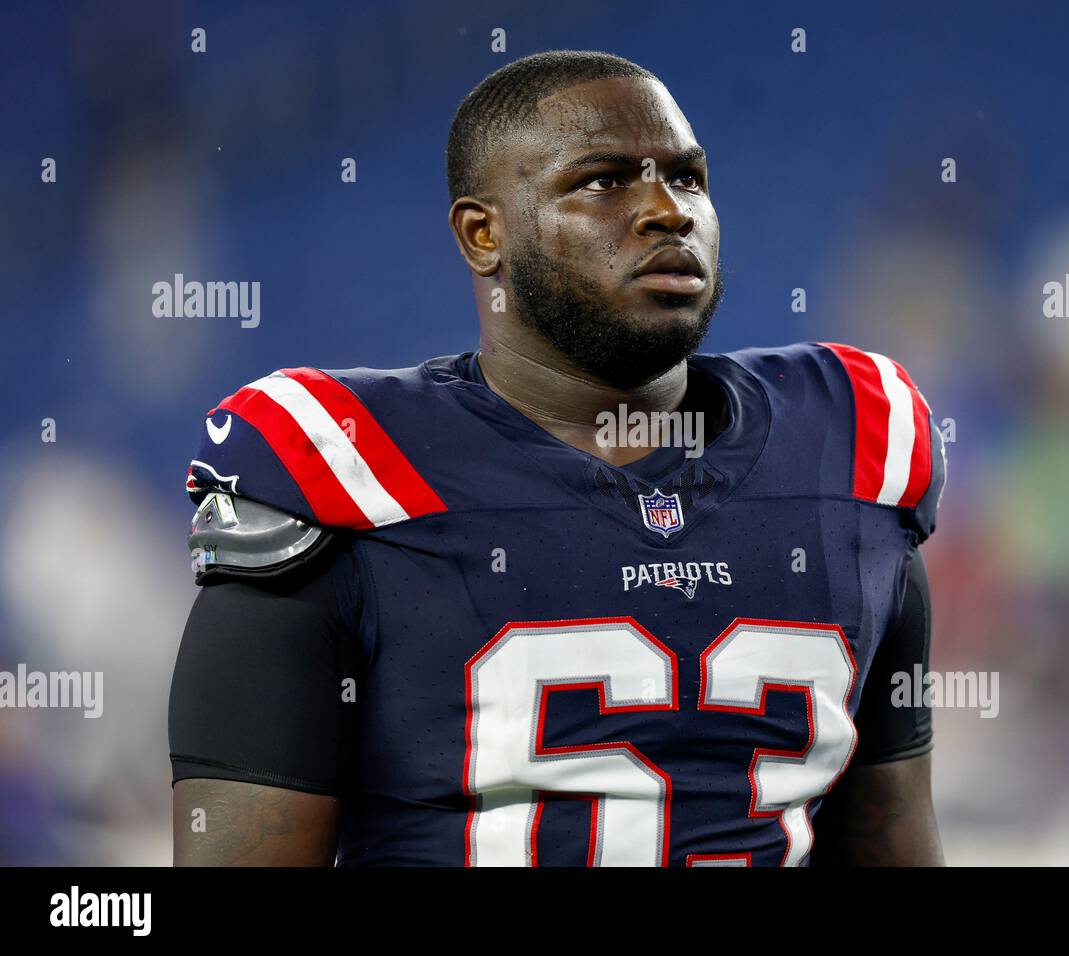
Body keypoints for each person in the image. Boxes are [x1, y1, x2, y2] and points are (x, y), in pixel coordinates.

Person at [169, 49, 946, 867]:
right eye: (604, 182)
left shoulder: (854, 444)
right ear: (483, 233)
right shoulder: (342, 465)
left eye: (688, 179)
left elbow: (891, 836)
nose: (666, 211)